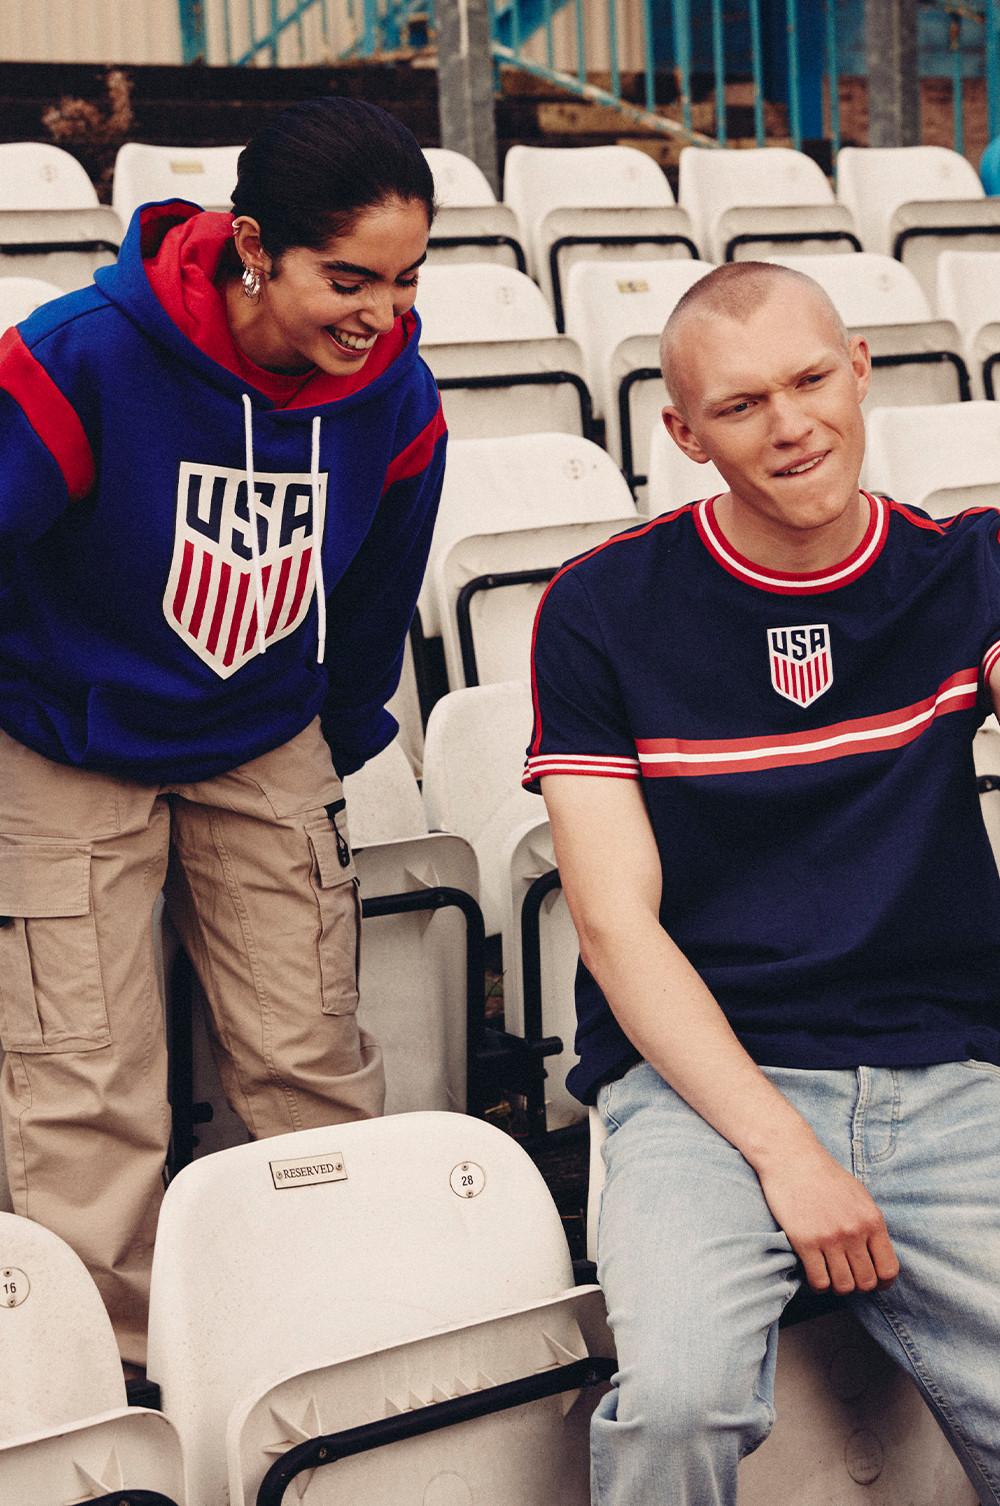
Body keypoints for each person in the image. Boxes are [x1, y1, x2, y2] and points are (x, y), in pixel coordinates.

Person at [524, 261, 1000, 1504]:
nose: (790, 425)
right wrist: (784, 1151)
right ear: (682, 432)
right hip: (699, 1092)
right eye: (740, 406)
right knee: (676, 1399)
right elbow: (613, 927)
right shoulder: (600, 610)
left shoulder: (968, 571)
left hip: (945, 1072)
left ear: (859, 370)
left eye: (807, 379)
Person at [0, 97, 446, 1370]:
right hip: (63, 737)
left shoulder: (394, 390)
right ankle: (116, 1380)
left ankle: (327, 1334)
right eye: (347, 277)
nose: (380, 312)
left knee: (307, 1050)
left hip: (259, 728)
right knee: (86, 1085)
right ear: (255, 247)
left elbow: (375, 590)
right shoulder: (83, 354)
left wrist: (333, 731)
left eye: (407, 279)